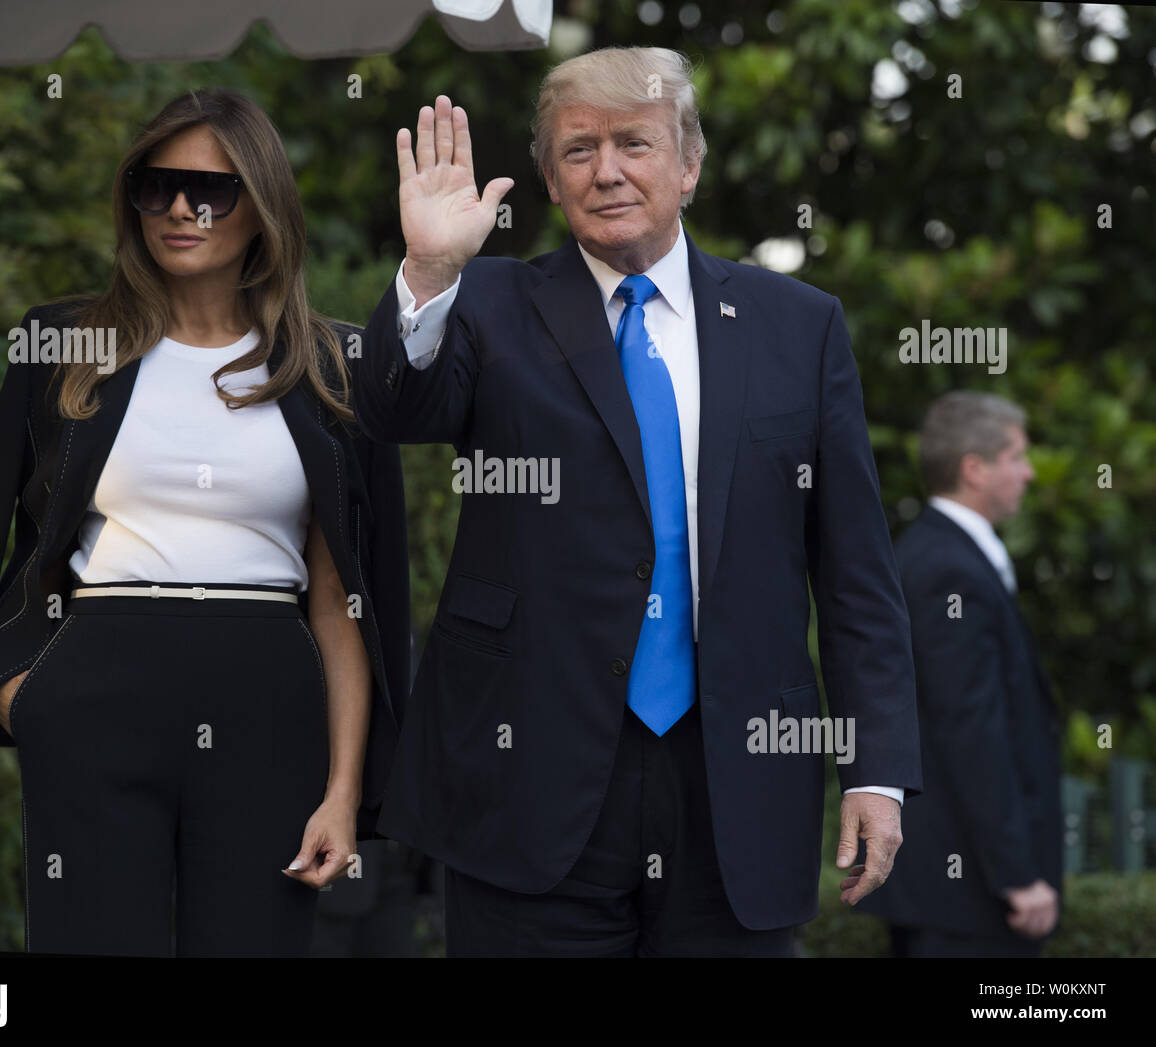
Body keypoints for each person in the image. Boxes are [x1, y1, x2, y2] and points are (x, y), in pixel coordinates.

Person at [352, 47, 921, 957]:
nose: (607, 170)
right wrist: (425, 272)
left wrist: (879, 768)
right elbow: (393, 407)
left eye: (635, 144)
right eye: (578, 150)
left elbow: (856, 572)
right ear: (547, 177)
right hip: (525, 779)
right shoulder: (488, 301)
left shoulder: (798, 325)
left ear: (688, 164)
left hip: (736, 778)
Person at [0, 88, 410, 957]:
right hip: (96, 689)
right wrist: (27, 699)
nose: (180, 208)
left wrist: (343, 791)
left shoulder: (332, 365)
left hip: (270, 710)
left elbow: (340, 599)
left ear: (263, 208)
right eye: (156, 185)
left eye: (211, 190)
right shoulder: (64, 347)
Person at [857, 392, 1062, 957]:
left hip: (956, 890)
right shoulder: (949, 568)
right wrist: (1017, 874)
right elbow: (971, 732)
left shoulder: (941, 553)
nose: (1029, 473)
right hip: (966, 897)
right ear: (975, 468)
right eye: (1017, 457)